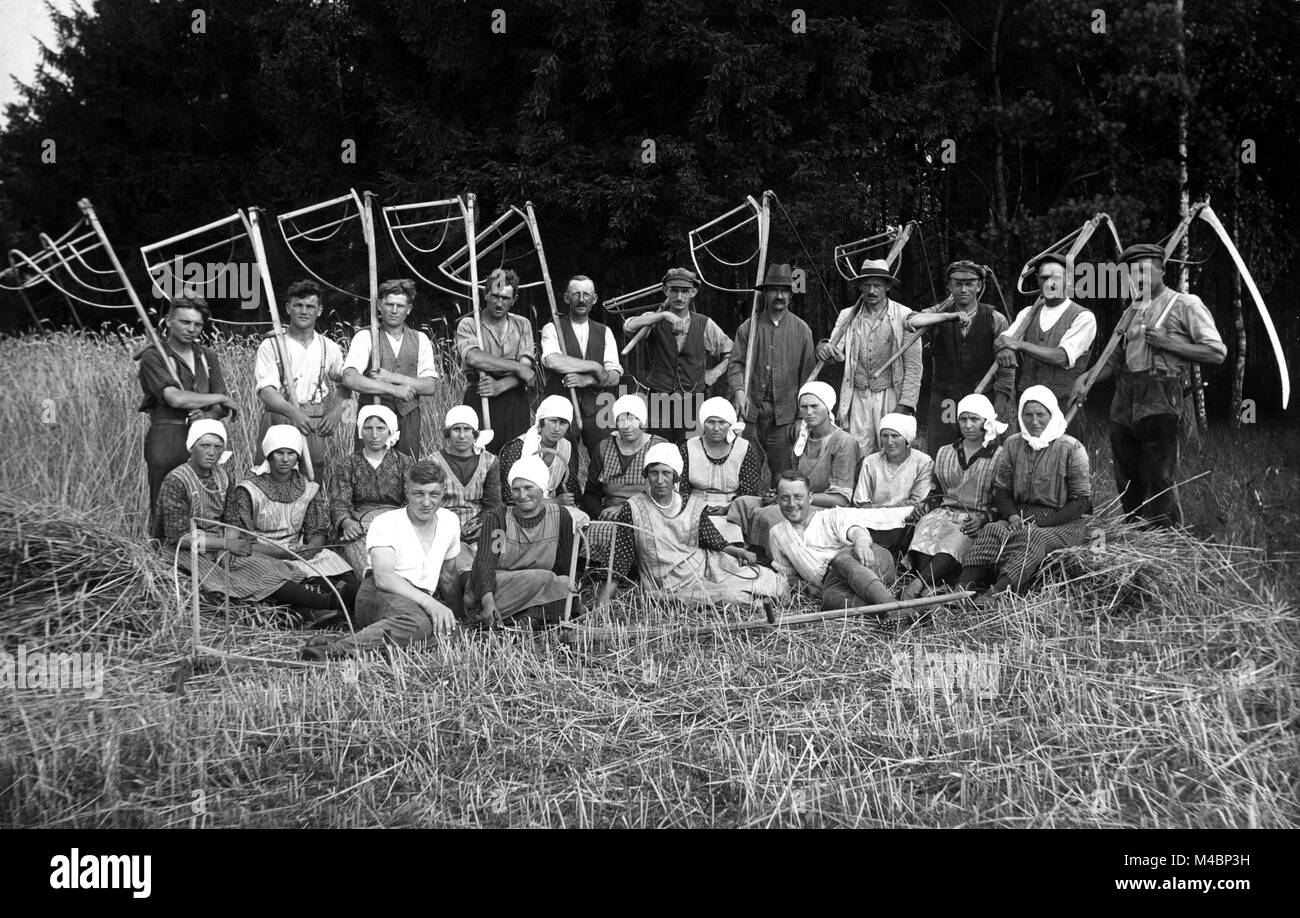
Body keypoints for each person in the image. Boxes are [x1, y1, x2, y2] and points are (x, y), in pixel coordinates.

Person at [1075, 243, 1227, 528]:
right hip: (1125, 395)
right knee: (1125, 472)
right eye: (1132, 272)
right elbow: (1114, 360)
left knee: (1159, 474)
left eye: (1144, 269)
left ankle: (1165, 538)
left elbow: (1217, 352)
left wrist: (1168, 343)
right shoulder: (1130, 311)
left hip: (1161, 393)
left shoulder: (1185, 304)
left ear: (1162, 269)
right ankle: (1134, 532)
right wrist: (1089, 377)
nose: (1138, 277)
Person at [158, 420, 348, 626]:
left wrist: (227, 549)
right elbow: (179, 537)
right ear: (191, 446)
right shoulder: (177, 480)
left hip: (220, 544)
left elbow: (231, 520)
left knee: (271, 568)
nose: (211, 452)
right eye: (204, 445)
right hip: (188, 550)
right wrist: (226, 545)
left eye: (217, 446)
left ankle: (314, 610)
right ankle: (329, 604)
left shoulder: (222, 477)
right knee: (236, 578)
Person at [303, 460, 464, 660]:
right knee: (418, 625)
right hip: (379, 593)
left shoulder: (450, 521)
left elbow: (448, 576)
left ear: (443, 492)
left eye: (434, 494)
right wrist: (431, 604)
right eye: (418, 493)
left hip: (417, 601)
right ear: (407, 491)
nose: (426, 502)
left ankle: (354, 641)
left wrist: (457, 618)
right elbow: (384, 578)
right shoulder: (387, 522)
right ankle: (334, 651)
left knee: (452, 634)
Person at [597, 443, 788, 607]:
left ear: (676, 477)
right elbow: (618, 558)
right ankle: (756, 604)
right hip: (670, 586)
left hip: (704, 564)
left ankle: (773, 592)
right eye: (654, 473)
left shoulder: (691, 503)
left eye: (666, 473)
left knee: (770, 583)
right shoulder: (633, 509)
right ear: (646, 475)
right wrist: (602, 605)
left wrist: (737, 552)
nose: (660, 480)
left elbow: (711, 538)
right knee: (730, 596)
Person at [957, 386, 1092, 606]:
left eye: (1041, 414)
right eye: (1027, 415)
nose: (1034, 421)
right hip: (1022, 514)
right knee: (992, 529)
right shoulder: (1013, 444)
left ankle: (994, 595)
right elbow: (1001, 489)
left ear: (1052, 414)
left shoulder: (1071, 448)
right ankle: (961, 591)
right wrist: (1011, 516)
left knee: (1033, 538)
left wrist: (1044, 524)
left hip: (1063, 520)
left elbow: (1081, 501)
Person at [223, 425, 359, 615]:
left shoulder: (308, 488)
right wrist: (283, 553)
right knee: (279, 575)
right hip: (263, 552)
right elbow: (244, 541)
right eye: (279, 453)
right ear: (269, 455)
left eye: (291, 453)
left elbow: (318, 531)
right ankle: (328, 604)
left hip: (299, 550)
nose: (286, 459)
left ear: (298, 456)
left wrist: (309, 549)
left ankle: (358, 599)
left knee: (337, 567)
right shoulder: (248, 490)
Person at [137, 295, 238, 538]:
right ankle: (161, 554)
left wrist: (207, 414)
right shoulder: (154, 356)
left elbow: (220, 404)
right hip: (168, 434)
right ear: (169, 321)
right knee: (164, 499)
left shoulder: (207, 356)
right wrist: (218, 400)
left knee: (206, 495)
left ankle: (203, 553)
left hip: (203, 434)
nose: (191, 329)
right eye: (184, 322)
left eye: (197, 325)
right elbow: (174, 398)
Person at [728, 381, 859, 556]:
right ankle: (738, 550)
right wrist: (779, 495)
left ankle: (774, 557)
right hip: (797, 499)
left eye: (815, 406)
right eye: (804, 407)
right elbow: (794, 479)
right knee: (742, 503)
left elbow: (840, 499)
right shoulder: (804, 437)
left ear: (827, 407)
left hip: (824, 509)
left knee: (772, 515)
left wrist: (791, 499)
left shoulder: (844, 442)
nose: (809, 412)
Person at [901, 394, 1006, 600]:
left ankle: (919, 583)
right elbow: (936, 492)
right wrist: (925, 506)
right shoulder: (946, 452)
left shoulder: (999, 455)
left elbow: (1001, 500)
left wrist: (983, 519)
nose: (968, 425)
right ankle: (932, 585)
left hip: (974, 516)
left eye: (974, 419)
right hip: (945, 511)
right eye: (963, 419)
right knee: (927, 526)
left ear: (986, 422)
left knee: (958, 536)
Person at [904, 261, 1015, 453]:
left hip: (981, 398)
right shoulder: (938, 314)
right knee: (943, 451)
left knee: (982, 454)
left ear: (979, 286)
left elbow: (1006, 374)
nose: (963, 289)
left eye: (970, 284)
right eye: (957, 284)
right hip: (946, 400)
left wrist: (994, 413)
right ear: (949, 286)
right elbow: (911, 321)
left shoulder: (995, 319)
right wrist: (950, 316)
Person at [815, 258, 921, 454]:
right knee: (856, 450)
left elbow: (914, 367)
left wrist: (905, 404)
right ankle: (857, 485)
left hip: (890, 393)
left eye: (877, 285)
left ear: (887, 286)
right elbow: (834, 351)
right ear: (860, 287)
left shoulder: (906, 316)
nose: (872, 291)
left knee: (892, 448)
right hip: (858, 395)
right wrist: (823, 347)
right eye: (867, 285)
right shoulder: (848, 315)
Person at [464, 456, 581, 628]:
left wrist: (568, 592)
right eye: (516, 489)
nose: (522, 495)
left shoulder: (561, 517)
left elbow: (565, 566)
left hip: (541, 587)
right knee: (544, 577)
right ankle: (523, 618)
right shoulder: (499, 518)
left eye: (528, 488)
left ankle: (530, 619)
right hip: (499, 587)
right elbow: (486, 563)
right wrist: (488, 601)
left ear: (542, 488)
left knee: (565, 585)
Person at [728, 263, 816, 486]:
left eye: (784, 290)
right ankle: (747, 512)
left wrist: (800, 418)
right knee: (746, 470)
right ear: (765, 293)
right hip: (751, 412)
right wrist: (739, 392)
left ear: (791, 295)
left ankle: (778, 516)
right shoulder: (748, 328)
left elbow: (808, 380)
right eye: (774, 290)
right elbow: (736, 364)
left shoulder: (802, 331)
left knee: (784, 476)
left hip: (785, 416)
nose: (779, 295)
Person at [622, 267, 732, 443]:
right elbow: (629, 327)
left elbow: (732, 353)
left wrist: (714, 373)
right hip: (660, 398)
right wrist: (664, 315)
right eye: (674, 290)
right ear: (666, 291)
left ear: (693, 292)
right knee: (659, 448)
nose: (679, 297)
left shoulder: (705, 324)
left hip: (692, 399)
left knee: (690, 449)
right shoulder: (654, 320)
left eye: (685, 291)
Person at [253, 279, 349, 480]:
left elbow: (346, 384)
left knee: (312, 476)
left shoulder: (329, 347)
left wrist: (336, 412)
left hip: (314, 420)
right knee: (271, 475)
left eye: (310, 306)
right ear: (288, 308)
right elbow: (267, 391)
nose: (304, 311)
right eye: (298, 305)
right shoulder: (272, 345)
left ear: (319, 310)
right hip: (280, 416)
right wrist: (293, 413)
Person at [995, 254, 1097, 434]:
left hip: (1063, 403)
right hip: (1028, 403)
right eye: (1044, 278)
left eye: (1056, 277)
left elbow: (1061, 357)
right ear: (1037, 281)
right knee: (1027, 454)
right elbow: (1004, 339)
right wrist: (1004, 349)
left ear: (1069, 280)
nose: (1050, 283)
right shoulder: (1028, 313)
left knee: (1063, 456)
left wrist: (1019, 345)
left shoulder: (1083, 317)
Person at [767, 471, 898, 611]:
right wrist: (808, 586)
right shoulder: (777, 533)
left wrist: (861, 543)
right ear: (778, 500)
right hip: (833, 582)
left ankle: (892, 606)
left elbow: (856, 531)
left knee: (841, 562)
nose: (792, 504)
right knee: (829, 599)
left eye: (798, 497)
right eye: (785, 498)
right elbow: (787, 575)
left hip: (868, 562)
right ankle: (891, 611)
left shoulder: (830, 515)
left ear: (810, 498)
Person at [341, 278, 440, 456]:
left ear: (408, 309)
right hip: (373, 417)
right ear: (379, 305)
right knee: (368, 469)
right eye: (389, 304)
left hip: (408, 417)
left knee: (407, 470)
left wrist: (394, 378)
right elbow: (349, 377)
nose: (394, 310)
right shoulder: (366, 336)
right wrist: (392, 390)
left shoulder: (420, 339)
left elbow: (430, 385)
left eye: (400, 306)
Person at [540, 274, 622, 485]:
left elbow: (613, 376)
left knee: (606, 461)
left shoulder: (605, 332)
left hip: (599, 409)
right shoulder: (553, 327)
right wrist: (594, 367)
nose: (581, 299)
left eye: (586, 294)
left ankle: (600, 505)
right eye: (575, 293)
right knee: (564, 462)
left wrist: (588, 380)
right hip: (562, 407)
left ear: (594, 299)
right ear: (566, 298)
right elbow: (553, 361)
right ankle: (568, 506)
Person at [456, 267, 536, 452]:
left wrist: (500, 385)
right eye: (495, 296)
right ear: (485, 295)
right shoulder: (469, 323)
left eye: (505, 298)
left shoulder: (523, 324)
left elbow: (526, 369)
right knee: (479, 454)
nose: (499, 303)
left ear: (514, 300)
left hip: (514, 397)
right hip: (481, 392)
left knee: (515, 456)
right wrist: (516, 367)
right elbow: (475, 358)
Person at [330, 405, 416, 575]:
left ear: (390, 430)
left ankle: (404, 583)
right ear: (361, 431)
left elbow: (411, 500)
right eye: (368, 428)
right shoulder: (349, 463)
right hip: (359, 524)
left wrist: (399, 523)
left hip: (396, 522)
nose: (374, 435)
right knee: (357, 543)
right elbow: (339, 501)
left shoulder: (404, 462)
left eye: (381, 428)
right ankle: (371, 579)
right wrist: (347, 523)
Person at [678, 396, 765, 543]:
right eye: (710, 422)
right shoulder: (689, 447)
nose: (716, 428)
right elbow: (681, 488)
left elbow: (749, 491)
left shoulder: (743, 448)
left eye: (722, 422)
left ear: (730, 423)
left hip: (733, 509)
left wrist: (728, 509)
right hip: (693, 507)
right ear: (703, 423)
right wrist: (693, 509)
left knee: (730, 546)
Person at [427, 405, 502, 572]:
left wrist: (481, 523)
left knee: (500, 537)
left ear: (474, 433)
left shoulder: (490, 461)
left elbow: (494, 503)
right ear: (448, 433)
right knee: (461, 563)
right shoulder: (433, 462)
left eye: (467, 429)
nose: (462, 435)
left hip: (480, 523)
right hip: (444, 526)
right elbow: (430, 505)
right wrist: (455, 529)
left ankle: (500, 567)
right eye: (456, 429)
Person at [851, 412, 934, 557]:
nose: (889, 442)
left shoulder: (923, 462)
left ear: (907, 438)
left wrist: (880, 510)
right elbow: (861, 503)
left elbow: (917, 504)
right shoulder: (871, 461)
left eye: (895, 436)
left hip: (904, 521)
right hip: (872, 520)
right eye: (885, 436)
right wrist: (881, 512)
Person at [495, 395, 582, 512]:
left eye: (563, 423)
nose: (557, 428)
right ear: (541, 422)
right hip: (519, 510)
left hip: (554, 510)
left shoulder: (566, 448)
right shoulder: (518, 447)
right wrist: (554, 502)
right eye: (552, 421)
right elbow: (509, 496)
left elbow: (571, 489)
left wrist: (566, 501)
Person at [593, 393, 667, 520]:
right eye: (621, 420)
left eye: (633, 419)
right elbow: (591, 492)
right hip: (609, 516)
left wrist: (627, 510)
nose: (627, 426)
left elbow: (666, 492)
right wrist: (600, 513)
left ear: (642, 421)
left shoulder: (659, 447)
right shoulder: (604, 447)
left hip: (649, 514)